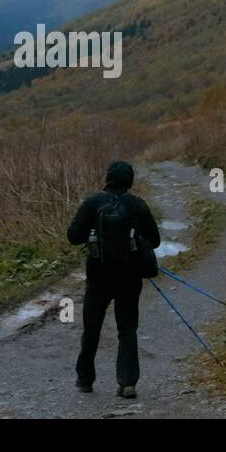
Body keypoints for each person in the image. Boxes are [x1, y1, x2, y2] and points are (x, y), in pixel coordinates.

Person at [66, 160, 161, 398]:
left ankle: (85, 379)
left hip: (98, 276)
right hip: (129, 277)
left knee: (92, 328)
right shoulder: (138, 205)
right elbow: (155, 240)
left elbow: (73, 237)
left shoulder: (92, 202)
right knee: (127, 329)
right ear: (129, 181)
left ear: (107, 178)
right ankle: (127, 383)